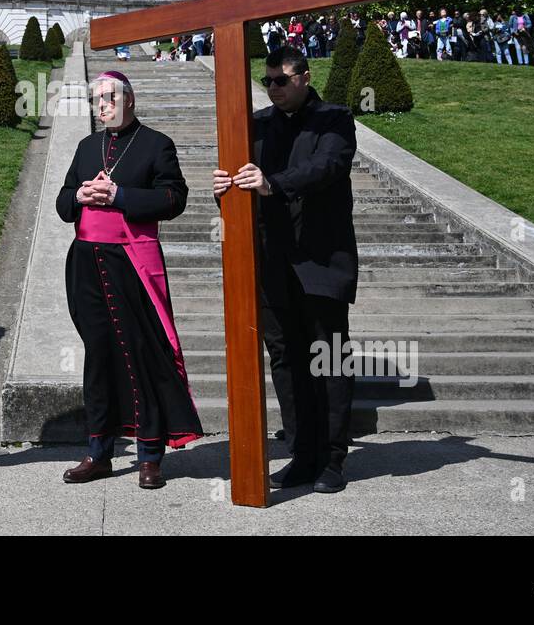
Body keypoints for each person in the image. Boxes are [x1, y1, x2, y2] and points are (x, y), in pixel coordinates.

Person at [214, 47, 358, 494]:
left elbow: (327, 167)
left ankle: (333, 458)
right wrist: (225, 191)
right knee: (286, 357)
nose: (273, 88)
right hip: (271, 262)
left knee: (328, 358)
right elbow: (242, 180)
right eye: (268, 81)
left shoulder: (334, 118)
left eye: (282, 79)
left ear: (305, 77)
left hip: (320, 260)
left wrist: (273, 183)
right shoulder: (256, 125)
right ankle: (302, 452)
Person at [56, 71, 202, 490]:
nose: (102, 105)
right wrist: (80, 197)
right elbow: (64, 202)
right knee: (98, 359)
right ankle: (98, 452)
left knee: (144, 356)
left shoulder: (156, 144)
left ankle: (150, 456)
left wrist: (120, 196)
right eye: (96, 100)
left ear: (130, 100)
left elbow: (174, 198)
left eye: (109, 97)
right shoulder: (87, 146)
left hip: (133, 263)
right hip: (86, 263)